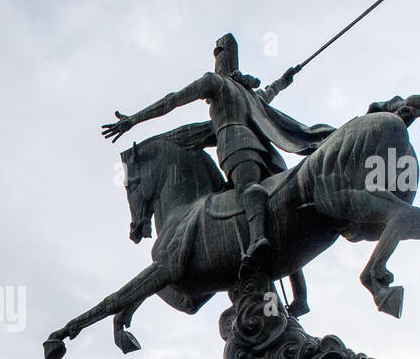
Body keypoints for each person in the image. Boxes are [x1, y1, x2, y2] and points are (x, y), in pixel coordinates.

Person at [102, 33, 323, 274]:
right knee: (278, 209)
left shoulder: (214, 82)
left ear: (222, 60)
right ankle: (298, 290)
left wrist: (135, 119)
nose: (217, 60)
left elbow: (173, 100)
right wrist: (285, 79)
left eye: (218, 54)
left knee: (247, 188)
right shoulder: (249, 94)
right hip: (268, 154)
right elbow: (270, 91)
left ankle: (258, 239)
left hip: (237, 145)